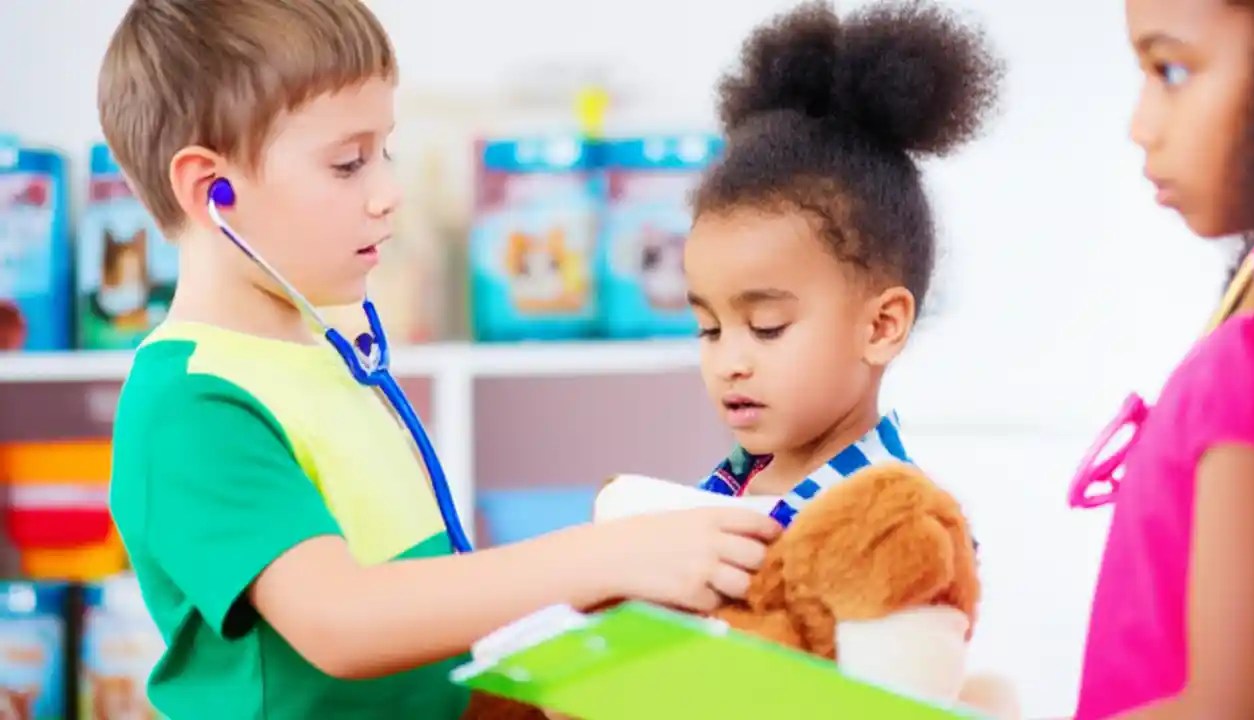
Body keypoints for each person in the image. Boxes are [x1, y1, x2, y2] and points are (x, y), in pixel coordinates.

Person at [98, 2, 781, 718]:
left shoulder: (325, 361)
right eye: (348, 163)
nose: (388, 195)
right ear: (215, 193)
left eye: (383, 153)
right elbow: (342, 620)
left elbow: (427, 609)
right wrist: (609, 555)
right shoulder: (191, 403)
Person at [682, 0, 1001, 514]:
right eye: (710, 330)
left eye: (766, 327)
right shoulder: (717, 497)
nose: (728, 364)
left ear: (880, 327)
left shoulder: (896, 523)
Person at [1073, 0, 1254, 716]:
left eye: (1172, 69)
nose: (1140, 125)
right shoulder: (1251, 295)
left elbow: (1224, 703)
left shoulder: (1251, 369)